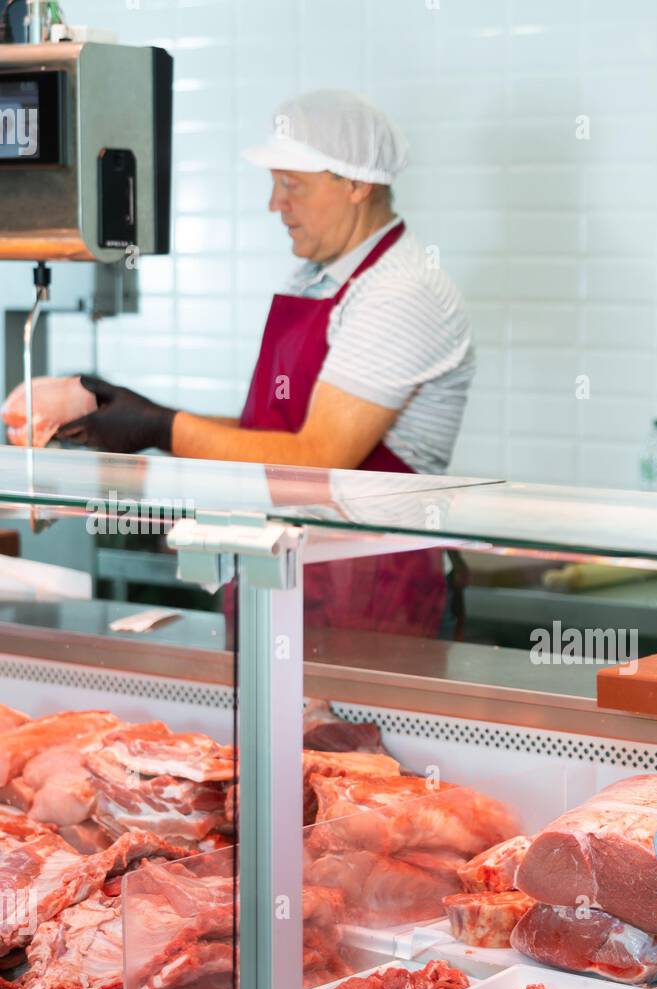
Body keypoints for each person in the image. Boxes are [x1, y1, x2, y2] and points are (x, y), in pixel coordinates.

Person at [59, 89, 475, 637]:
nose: (275, 204)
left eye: (292, 185)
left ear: (356, 185)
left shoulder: (398, 291)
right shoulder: (315, 278)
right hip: (279, 572)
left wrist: (162, 427)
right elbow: (272, 432)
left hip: (367, 589)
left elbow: (316, 457)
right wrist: (152, 416)